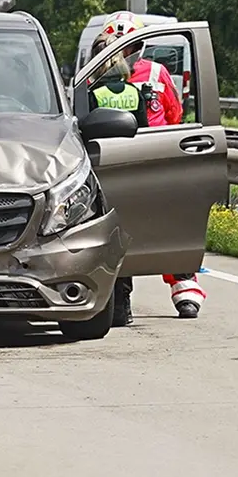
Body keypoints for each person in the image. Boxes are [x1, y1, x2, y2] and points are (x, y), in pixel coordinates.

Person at [88, 20, 206, 318]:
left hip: (133, 156)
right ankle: (171, 291)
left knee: (144, 226)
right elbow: (174, 113)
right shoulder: (148, 73)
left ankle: (176, 289)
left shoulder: (101, 78)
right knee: (153, 226)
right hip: (141, 156)